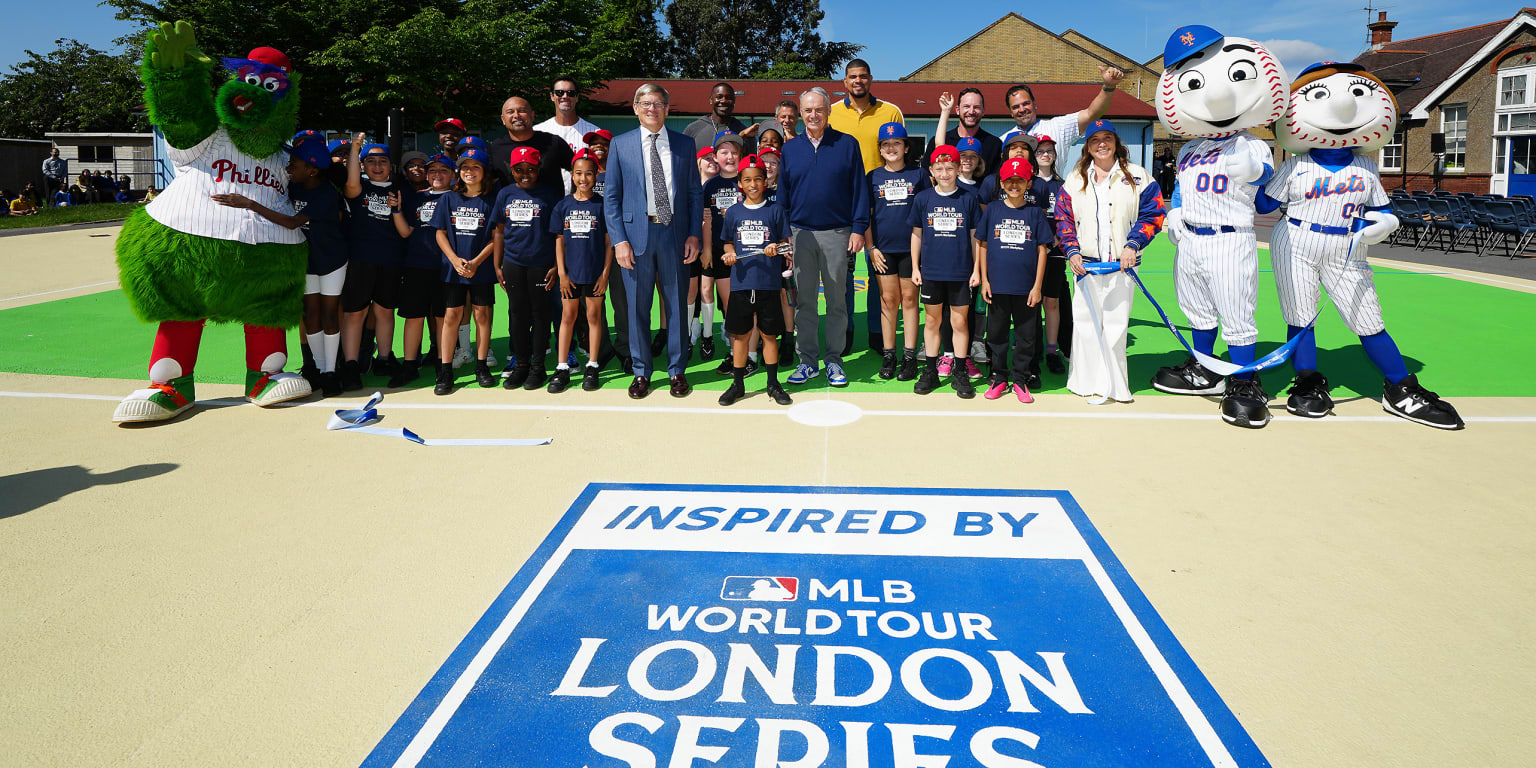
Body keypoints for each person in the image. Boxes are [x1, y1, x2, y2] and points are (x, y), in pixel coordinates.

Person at [602, 82, 705, 399]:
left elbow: (693, 193)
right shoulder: (620, 145)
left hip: (673, 233)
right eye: (645, 103)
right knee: (637, 308)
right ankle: (641, 371)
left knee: (676, 306)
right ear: (635, 108)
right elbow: (612, 198)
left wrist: (694, 234)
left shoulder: (684, 145)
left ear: (666, 108)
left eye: (658, 103)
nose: (651, 108)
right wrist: (619, 240)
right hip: (635, 237)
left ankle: (677, 371)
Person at [1053, 120, 1164, 404]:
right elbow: (1063, 219)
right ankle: (1084, 382)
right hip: (1085, 265)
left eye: (1106, 138)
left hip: (1123, 264)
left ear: (1116, 142)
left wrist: (1133, 245)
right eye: (1094, 140)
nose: (1101, 144)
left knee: (1115, 327)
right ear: (1088, 147)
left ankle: (1115, 386)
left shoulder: (1138, 176)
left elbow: (1153, 214)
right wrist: (1072, 251)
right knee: (1086, 324)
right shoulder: (1075, 179)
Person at [779, 86, 870, 388]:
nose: (813, 115)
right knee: (805, 302)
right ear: (800, 114)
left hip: (837, 233)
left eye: (819, 109)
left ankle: (833, 360)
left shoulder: (847, 144)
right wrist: (783, 236)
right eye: (808, 110)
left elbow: (859, 190)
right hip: (799, 234)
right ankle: (807, 362)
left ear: (829, 111)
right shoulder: (790, 148)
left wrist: (858, 228)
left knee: (836, 302)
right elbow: (783, 195)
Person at [830, 58, 905, 354]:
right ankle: (846, 329)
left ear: (871, 79)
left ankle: (877, 329)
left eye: (862, 76)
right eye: (852, 77)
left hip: (883, 203)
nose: (858, 81)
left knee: (879, 268)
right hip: (842, 203)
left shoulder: (890, 111)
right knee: (843, 271)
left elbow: (898, 152)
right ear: (844, 82)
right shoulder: (832, 113)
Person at [717, 155, 794, 407]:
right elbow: (728, 241)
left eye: (758, 179)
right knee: (740, 336)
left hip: (768, 283)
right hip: (741, 283)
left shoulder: (775, 210)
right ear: (740, 183)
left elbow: (786, 244)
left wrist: (777, 247)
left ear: (765, 181)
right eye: (747, 180)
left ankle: (772, 383)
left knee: (769, 335)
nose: (753, 184)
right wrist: (729, 253)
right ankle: (738, 384)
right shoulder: (734, 212)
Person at [975, 157, 1053, 403]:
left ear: (1028, 183)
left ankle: (1021, 379)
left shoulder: (1034, 214)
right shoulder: (994, 210)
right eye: (1009, 181)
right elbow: (983, 245)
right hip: (997, 287)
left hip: (1026, 289)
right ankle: (999, 378)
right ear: (1002, 184)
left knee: (1026, 337)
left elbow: (1042, 250)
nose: (1015, 185)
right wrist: (985, 280)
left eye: (1020, 181)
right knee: (996, 335)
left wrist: (1037, 286)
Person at [908, 145, 981, 398]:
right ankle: (930, 370)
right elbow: (916, 234)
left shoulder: (968, 199)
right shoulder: (923, 199)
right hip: (931, 272)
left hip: (961, 273)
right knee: (932, 321)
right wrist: (915, 268)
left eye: (950, 167)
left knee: (959, 322)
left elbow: (975, 238)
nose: (945, 172)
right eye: (939, 168)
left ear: (958, 168)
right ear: (931, 170)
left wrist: (976, 269)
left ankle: (960, 371)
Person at [491, 146, 562, 390]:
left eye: (530, 169)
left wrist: (555, 265)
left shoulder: (549, 195)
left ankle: (538, 367)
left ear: (538, 169)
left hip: (541, 264)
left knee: (540, 315)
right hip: (513, 263)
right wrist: (497, 264)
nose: (525, 173)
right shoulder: (505, 194)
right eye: (519, 169)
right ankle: (521, 364)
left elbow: (557, 234)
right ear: (512, 170)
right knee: (516, 315)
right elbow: (499, 232)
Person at [429, 146, 499, 394]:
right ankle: (445, 370)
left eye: (475, 167)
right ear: (458, 171)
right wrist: (455, 260)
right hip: (453, 269)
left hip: (481, 268)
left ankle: (481, 366)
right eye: (465, 167)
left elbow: (496, 237)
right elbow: (440, 233)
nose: (470, 171)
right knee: (451, 316)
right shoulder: (448, 198)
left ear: (484, 171)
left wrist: (477, 262)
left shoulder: (492, 200)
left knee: (482, 315)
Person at [340, 135, 407, 390]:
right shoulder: (359, 189)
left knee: (385, 311)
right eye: (371, 162)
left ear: (391, 166)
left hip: (390, 261)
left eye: (383, 161)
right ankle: (351, 364)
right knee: (355, 313)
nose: (377, 166)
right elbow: (352, 180)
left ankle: (385, 358)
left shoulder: (398, 191)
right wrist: (356, 148)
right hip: (361, 260)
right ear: (363, 165)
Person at [866, 122, 926, 381]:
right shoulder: (873, 177)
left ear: (906, 147)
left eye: (897, 143)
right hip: (883, 249)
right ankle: (889, 354)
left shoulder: (919, 175)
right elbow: (866, 216)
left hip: (911, 250)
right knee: (888, 301)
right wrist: (871, 248)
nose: (891, 148)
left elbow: (925, 214)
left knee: (910, 301)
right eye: (886, 144)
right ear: (880, 149)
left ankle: (910, 356)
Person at [390, 153, 456, 386]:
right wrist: (397, 210)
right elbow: (406, 232)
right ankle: (410, 365)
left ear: (453, 175)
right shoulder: (415, 198)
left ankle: (442, 364)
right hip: (416, 265)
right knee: (414, 316)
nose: (437, 174)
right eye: (432, 170)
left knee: (441, 317)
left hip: (445, 268)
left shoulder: (458, 199)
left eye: (443, 170)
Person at [549, 154, 611, 393]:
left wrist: (605, 274)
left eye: (588, 173)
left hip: (594, 273)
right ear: (572, 176)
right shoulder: (563, 205)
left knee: (594, 316)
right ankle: (562, 366)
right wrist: (562, 274)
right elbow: (558, 242)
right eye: (578, 173)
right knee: (568, 317)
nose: (583, 178)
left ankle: (592, 365)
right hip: (570, 275)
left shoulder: (602, 205)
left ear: (596, 176)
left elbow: (608, 244)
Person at [700, 131, 746, 365]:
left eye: (734, 152)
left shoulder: (747, 179)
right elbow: (706, 219)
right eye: (724, 152)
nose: (729, 157)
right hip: (720, 251)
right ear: (715, 156)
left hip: (747, 251)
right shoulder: (711, 185)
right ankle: (734, 342)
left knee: (749, 299)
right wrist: (707, 249)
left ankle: (751, 343)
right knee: (729, 302)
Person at [1000, 65, 1126, 150]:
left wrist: (1108, 87)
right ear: (1010, 112)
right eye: (1016, 107)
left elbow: (1091, 114)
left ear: (1035, 104)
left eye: (1026, 103)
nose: (1022, 109)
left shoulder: (1058, 127)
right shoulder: (1002, 141)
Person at [1033, 135, 1073, 376]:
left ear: (1056, 155)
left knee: (1052, 302)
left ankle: (1051, 350)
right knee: (1032, 302)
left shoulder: (1063, 185)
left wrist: (1058, 240)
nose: (1045, 154)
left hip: (1056, 253)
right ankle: (1033, 349)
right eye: (1041, 151)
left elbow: (1068, 217)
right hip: (1031, 254)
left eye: (1049, 151)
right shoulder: (1026, 183)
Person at [490, 95, 574, 193]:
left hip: (552, 207)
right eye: (510, 112)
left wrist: (575, 200)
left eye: (522, 111)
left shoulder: (553, 142)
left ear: (532, 115)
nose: (516, 115)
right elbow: (487, 181)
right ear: (503, 119)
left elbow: (578, 170)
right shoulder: (495, 148)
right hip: (509, 207)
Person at [924, 88, 1001, 175]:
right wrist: (945, 111)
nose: (971, 111)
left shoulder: (994, 144)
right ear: (957, 110)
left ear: (983, 111)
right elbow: (927, 177)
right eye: (966, 106)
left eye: (976, 107)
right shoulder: (941, 140)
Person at [685, 82, 759, 155]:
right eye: (719, 97)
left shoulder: (744, 132)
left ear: (734, 101)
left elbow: (751, 164)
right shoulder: (693, 129)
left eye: (729, 98)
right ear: (711, 100)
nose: (724, 101)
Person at [535, 76, 600, 153]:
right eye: (559, 92)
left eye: (571, 93)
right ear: (552, 96)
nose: (565, 96)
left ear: (577, 97)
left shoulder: (594, 133)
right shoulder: (537, 131)